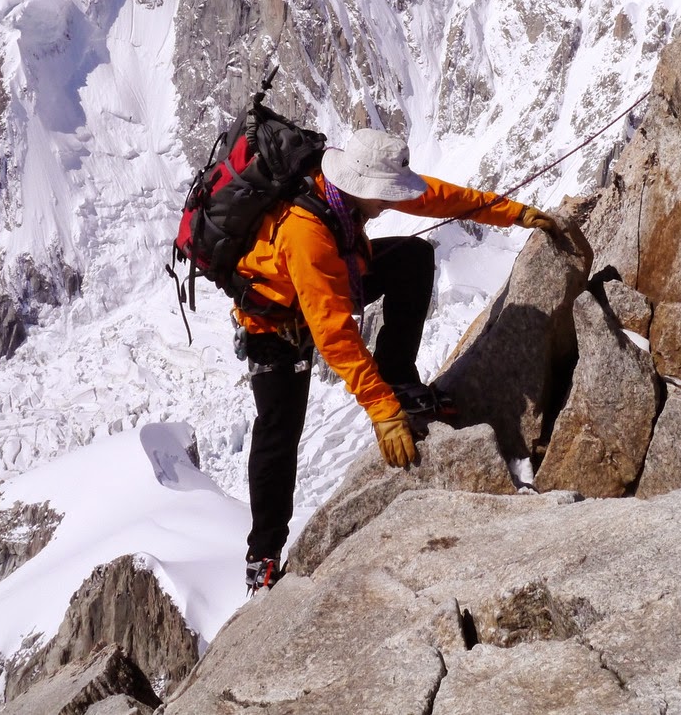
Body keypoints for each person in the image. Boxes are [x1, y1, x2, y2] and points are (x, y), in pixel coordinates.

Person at [234, 127, 561, 591]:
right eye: (384, 196)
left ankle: (399, 377)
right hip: (274, 323)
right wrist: (383, 413)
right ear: (363, 187)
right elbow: (335, 336)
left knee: (412, 257)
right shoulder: (306, 233)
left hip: (334, 278)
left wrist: (514, 213)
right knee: (279, 431)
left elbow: (435, 197)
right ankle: (263, 551)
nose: (390, 202)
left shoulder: (344, 195)